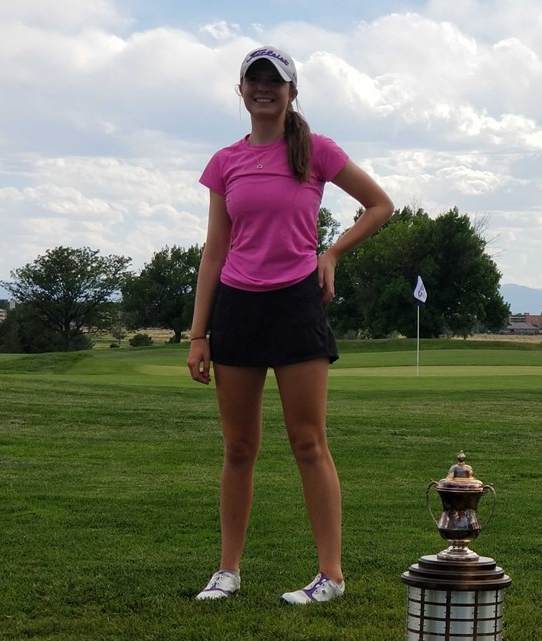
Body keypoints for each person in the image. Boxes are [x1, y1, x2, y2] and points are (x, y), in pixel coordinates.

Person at [186, 45, 394, 605]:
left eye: (274, 81)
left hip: (297, 305)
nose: (263, 89)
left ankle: (331, 575)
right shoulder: (225, 162)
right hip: (237, 308)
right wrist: (199, 333)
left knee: (308, 442)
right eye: (254, 80)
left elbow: (380, 205)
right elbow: (214, 251)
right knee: (238, 448)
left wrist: (332, 254)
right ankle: (227, 571)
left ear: (291, 92)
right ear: (241, 90)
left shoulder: (317, 151)